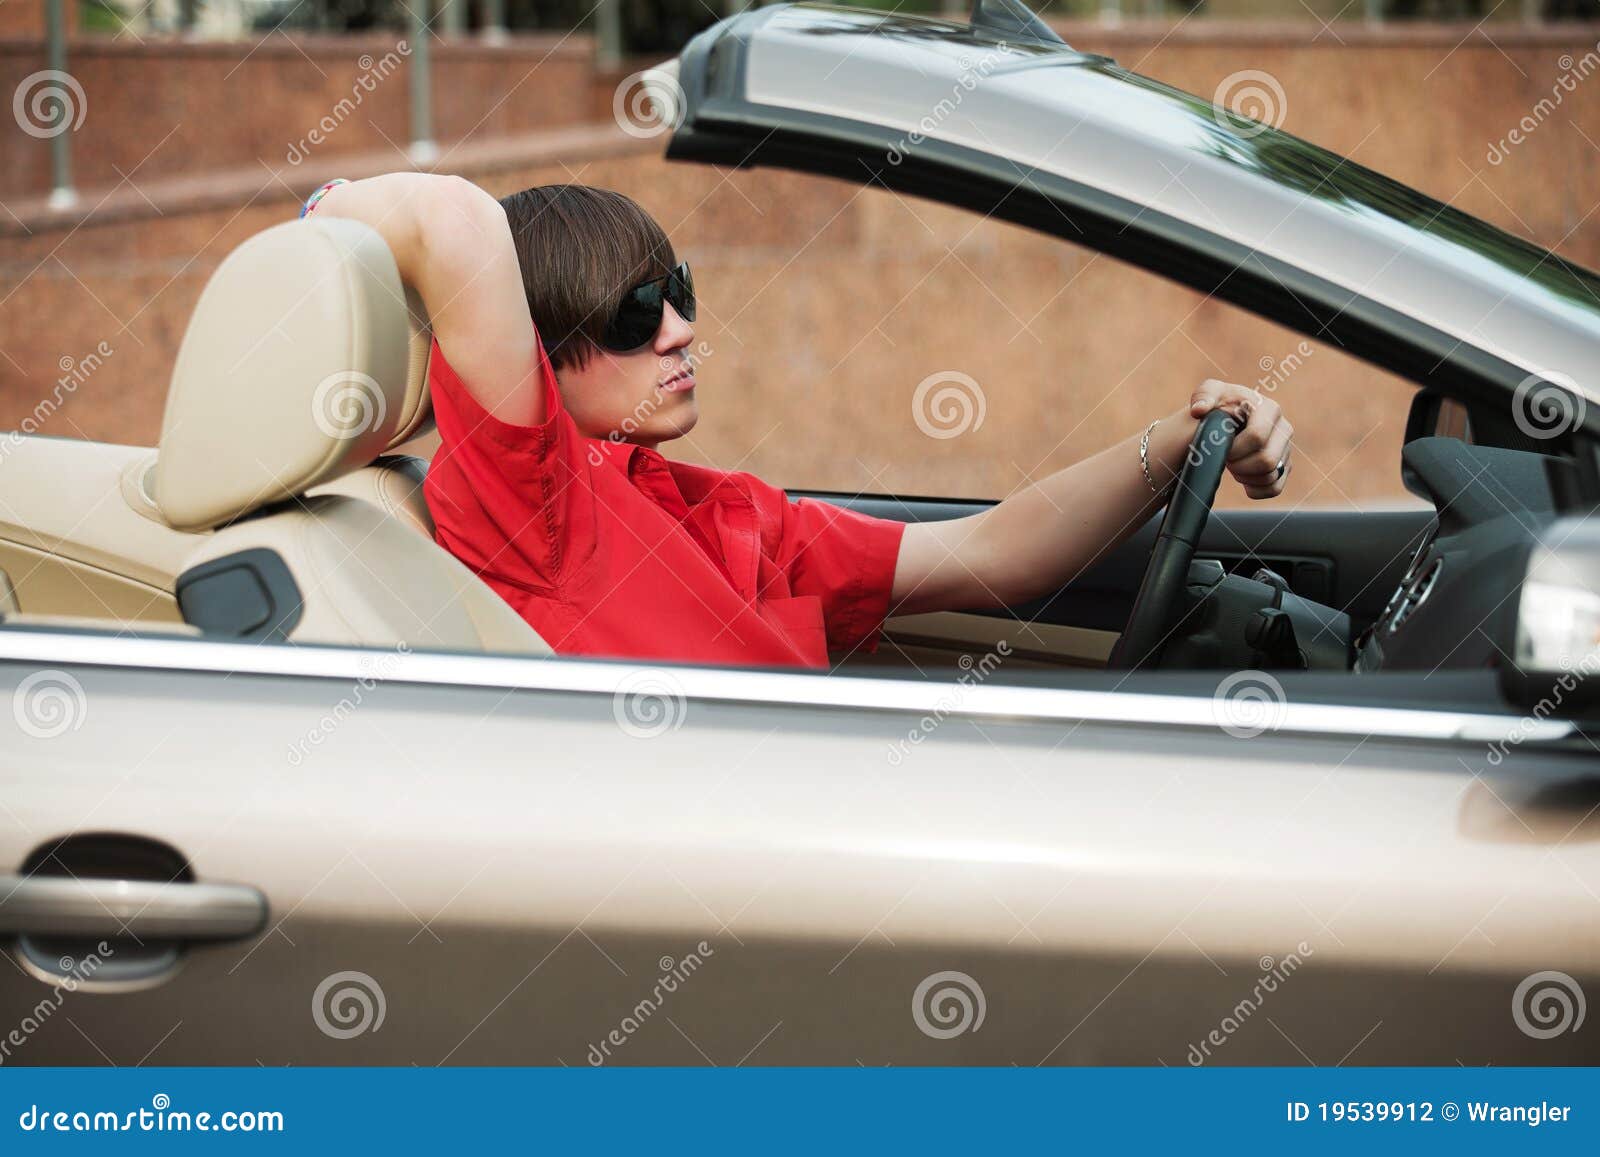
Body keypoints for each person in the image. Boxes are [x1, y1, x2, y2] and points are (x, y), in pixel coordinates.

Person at [303, 173, 1293, 668]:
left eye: (677, 289)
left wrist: (1174, 441)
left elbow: (992, 551)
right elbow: (453, 223)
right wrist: (324, 212)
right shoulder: (532, 502)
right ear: (539, 354)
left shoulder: (721, 510)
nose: (682, 327)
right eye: (636, 313)